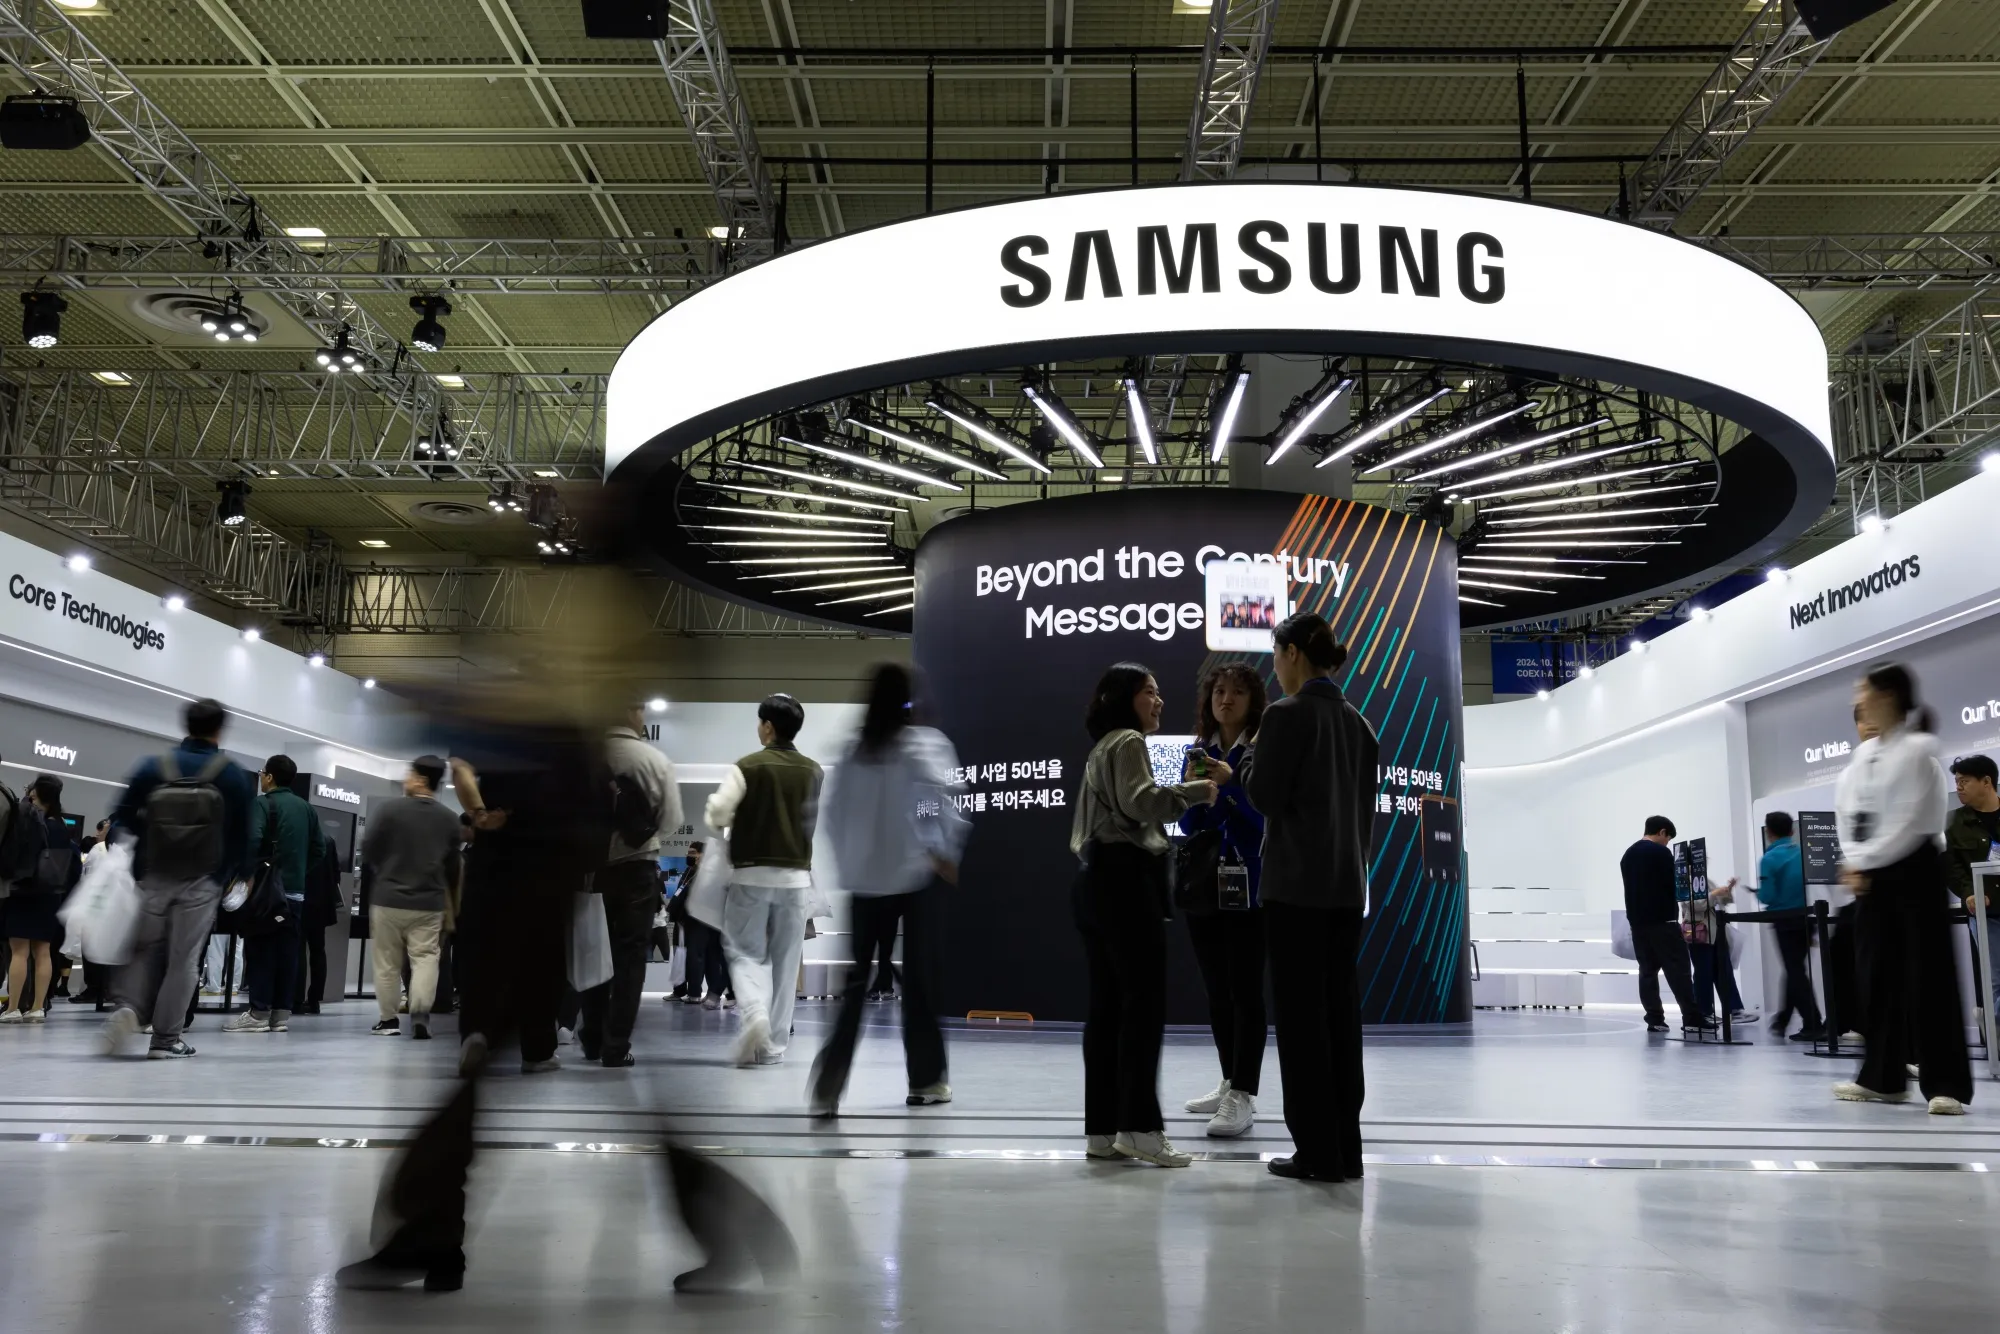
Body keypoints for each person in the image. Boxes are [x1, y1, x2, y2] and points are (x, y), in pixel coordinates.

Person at [1241, 614, 1380, 1184]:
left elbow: (1266, 797)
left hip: (1295, 890)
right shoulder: (1360, 724)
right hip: (1346, 890)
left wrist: (1247, 761)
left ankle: (1315, 1152)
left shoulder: (1284, 715)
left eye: (1276, 655)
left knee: (1301, 1024)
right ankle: (1346, 1149)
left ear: (1293, 652)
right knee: (1341, 1019)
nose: (1274, 668)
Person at [1071, 662, 1216, 1169]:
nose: (1159, 701)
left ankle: (1103, 1129)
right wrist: (1196, 791)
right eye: (1149, 692)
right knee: (1142, 1009)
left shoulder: (1100, 747)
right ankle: (1140, 1129)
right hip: (1127, 883)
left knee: (1106, 1011)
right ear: (1123, 698)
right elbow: (1140, 803)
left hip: (1096, 882)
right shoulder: (1129, 741)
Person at [809, 664, 967, 1118]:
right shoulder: (924, 746)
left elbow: (832, 817)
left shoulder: (852, 752)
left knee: (856, 985)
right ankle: (926, 1080)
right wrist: (941, 852)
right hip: (914, 881)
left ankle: (830, 1080)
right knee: (919, 984)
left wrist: (849, 868)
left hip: (863, 885)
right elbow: (934, 804)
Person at [1833, 662, 1973, 1115]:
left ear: (1888, 696)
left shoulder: (1919, 752)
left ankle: (1946, 1084)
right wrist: (1856, 859)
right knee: (1876, 979)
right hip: (1872, 878)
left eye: (1865, 691)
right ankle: (1883, 1077)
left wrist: (1866, 859)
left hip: (1914, 872)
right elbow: (1849, 816)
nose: (1859, 699)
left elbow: (1911, 820)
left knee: (1928, 979)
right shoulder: (1861, 760)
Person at [101, 698, 256, 1060]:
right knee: (183, 960)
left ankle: (128, 1008)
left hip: (154, 874)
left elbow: (122, 818)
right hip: (203, 880)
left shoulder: (154, 766)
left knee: (143, 949)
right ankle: (165, 1039)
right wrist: (240, 875)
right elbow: (244, 835)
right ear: (220, 730)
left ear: (185, 725)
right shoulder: (232, 775)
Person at [1178, 662, 1269, 1139]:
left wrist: (1231, 786)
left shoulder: (1263, 750)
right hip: (1205, 883)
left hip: (1251, 885)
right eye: (1218, 691)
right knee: (1217, 991)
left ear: (1253, 701)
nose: (1226, 699)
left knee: (1245, 992)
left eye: (1236, 692)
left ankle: (1244, 1094)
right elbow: (1189, 825)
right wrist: (1194, 795)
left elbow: (1265, 820)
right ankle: (1230, 1080)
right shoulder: (1199, 752)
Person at [708, 694, 823, 1066]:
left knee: (744, 952)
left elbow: (719, 812)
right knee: (786, 965)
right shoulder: (813, 771)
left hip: (751, 874)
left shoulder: (747, 766)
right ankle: (772, 1048)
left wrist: (724, 821)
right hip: (796, 878)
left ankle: (754, 1012)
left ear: (768, 727)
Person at [579, 704, 683, 1067]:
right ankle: (616, 1045)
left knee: (594, 951)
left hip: (592, 870)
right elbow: (671, 820)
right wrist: (641, 834)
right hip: (638, 869)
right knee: (631, 957)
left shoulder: (585, 759)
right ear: (633, 712)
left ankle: (591, 1038)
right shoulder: (653, 759)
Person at [222, 756, 326, 1034]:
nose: (261, 777)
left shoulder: (262, 804)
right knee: (288, 953)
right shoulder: (307, 808)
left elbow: (253, 839)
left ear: (269, 777)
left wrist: (247, 875)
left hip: (266, 892)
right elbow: (319, 849)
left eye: (262, 773)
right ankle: (280, 1014)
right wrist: (299, 871)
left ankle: (258, 1012)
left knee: (260, 950)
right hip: (295, 894)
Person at [362, 755, 462, 1042]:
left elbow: (369, 850)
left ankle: (388, 1020)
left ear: (420, 779)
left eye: (409, 774)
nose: (406, 780)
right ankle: (420, 1014)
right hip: (429, 902)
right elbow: (453, 867)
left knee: (387, 962)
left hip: (388, 899)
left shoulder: (389, 810)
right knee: (426, 957)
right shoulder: (449, 819)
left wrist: (386, 871)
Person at [2, 776, 82, 1024]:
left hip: (23, 891)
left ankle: (13, 1008)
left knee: (19, 952)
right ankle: (37, 1007)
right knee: (43, 951)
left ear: (35, 792)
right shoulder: (61, 826)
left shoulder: (26, 819)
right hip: (50, 895)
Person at [1621, 816, 1704, 1034]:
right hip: (1663, 921)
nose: (1667, 843)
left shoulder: (1628, 855)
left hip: (1638, 923)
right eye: (1668, 838)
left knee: (1647, 971)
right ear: (1662, 832)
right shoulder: (1661, 853)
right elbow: (1674, 885)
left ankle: (1655, 1019)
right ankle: (1692, 1018)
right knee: (1679, 970)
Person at [1756, 811, 1824, 1042]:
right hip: (1808, 917)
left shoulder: (1769, 858)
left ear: (1769, 832)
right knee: (1795, 970)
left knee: (1795, 972)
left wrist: (1759, 893)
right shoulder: (1803, 854)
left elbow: (1767, 895)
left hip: (1785, 921)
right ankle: (1782, 1020)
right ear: (1792, 831)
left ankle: (1813, 1023)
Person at [1944, 754, 2000, 1018]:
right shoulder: (1953, 822)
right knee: (1995, 980)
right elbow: (1951, 867)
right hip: (1985, 913)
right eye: (1956, 781)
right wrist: (1968, 893)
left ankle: (1989, 1021)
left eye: (1964, 781)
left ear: (1986, 782)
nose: (1959, 787)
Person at [66, 819, 116, 1009]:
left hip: (95, 907)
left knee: (91, 951)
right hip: (113, 908)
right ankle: (106, 989)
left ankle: (94, 989)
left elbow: (88, 878)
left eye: (102, 830)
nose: (97, 834)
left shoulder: (98, 849)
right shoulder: (120, 850)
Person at [294, 837, 342, 1016]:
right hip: (321, 905)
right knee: (318, 951)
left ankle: (296, 1000)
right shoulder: (328, 841)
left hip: (301, 900)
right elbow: (336, 874)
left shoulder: (300, 839)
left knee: (298, 951)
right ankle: (314, 1000)